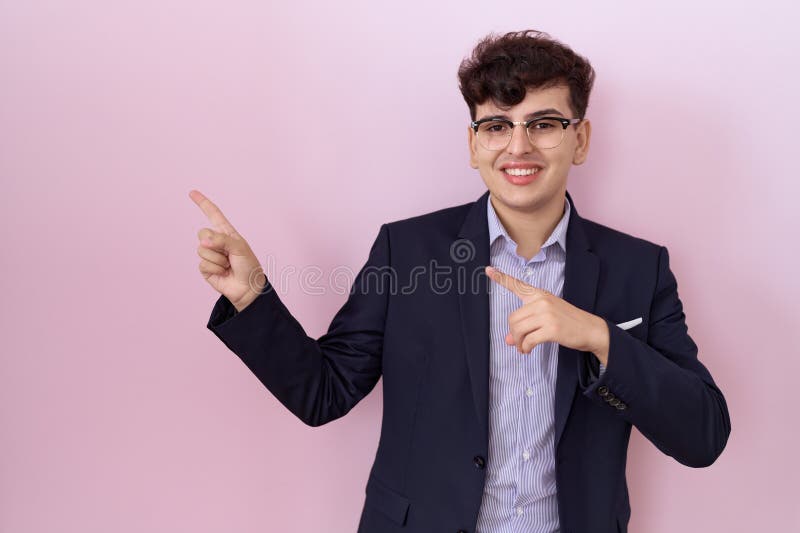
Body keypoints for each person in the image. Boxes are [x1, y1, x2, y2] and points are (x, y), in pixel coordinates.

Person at [190, 29, 730, 533]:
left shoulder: (640, 268)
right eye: (497, 126)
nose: (518, 147)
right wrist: (250, 297)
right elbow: (322, 393)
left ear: (581, 139)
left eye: (543, 124)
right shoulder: (406, 252)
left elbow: (703, 435)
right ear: (474, 145)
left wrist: (599, 337)